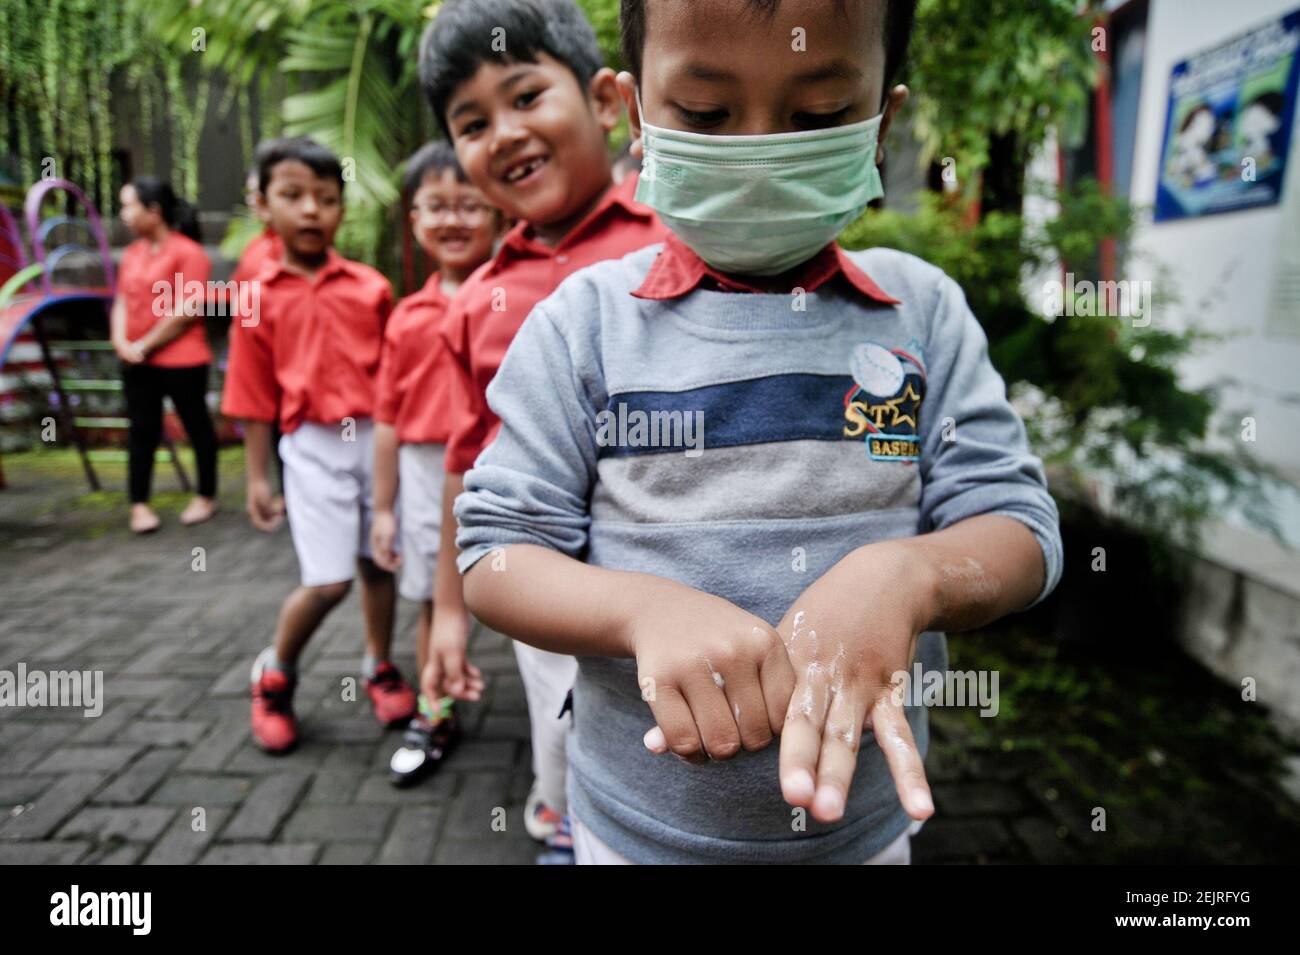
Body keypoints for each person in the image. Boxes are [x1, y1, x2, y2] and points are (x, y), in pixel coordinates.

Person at [451, 0, 1064, 864]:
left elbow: (1021, 530)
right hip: (633, 833)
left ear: (885, 119)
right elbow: (495, 552)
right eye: (703, 113)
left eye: (818, 115)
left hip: (861, 834)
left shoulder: (922, 313)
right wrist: (640, 609)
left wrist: (911, 574)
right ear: (636, 115)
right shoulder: (581, 326)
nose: (759, 154)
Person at [417, 0, 668, 857]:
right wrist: (451, 617)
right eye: (473, 121)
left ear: (605, 101)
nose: (506, 133)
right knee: (565, 749)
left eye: (526, 96)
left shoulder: (685, 237)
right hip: (550, 603)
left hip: (694, 579)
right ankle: (568, 832)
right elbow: (466, 464)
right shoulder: (474, 303)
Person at [221, 136, 415, 753]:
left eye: (326, 199)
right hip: (310, 446)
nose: (311, 211)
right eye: (293, 196)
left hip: (377, 441)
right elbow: (250, 389)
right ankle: (275, 674)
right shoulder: (257, 291)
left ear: (341, 209)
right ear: (262, 204)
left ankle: (379, 665)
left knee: (378, 563)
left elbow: (397, 374)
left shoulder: (368, 287)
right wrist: (256, 478)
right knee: (329, 581)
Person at [369, 141, 504, 785]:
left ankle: (569, 726)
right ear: (414, 220)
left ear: (499, 210)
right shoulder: (405, 317)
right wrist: (384, 509)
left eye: (469, 205)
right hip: (428, 470)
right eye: (435, 207)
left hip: (510, 461)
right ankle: (434, 706)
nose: (452, 220)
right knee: (429, 594)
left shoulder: (516, 294)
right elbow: (388, 420)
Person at [111, 177, 219, 534]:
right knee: (142, 430)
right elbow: (122, 301)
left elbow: (187, 311)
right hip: (136, 361)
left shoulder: (189, 253)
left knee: (196, 426)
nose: (123, 214)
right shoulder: (132, 254)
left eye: (129, 205)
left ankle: (206, 496)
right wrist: (122, 343)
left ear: (154, 211)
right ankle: (138, 505)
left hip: (182, 360)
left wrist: (143, 345)